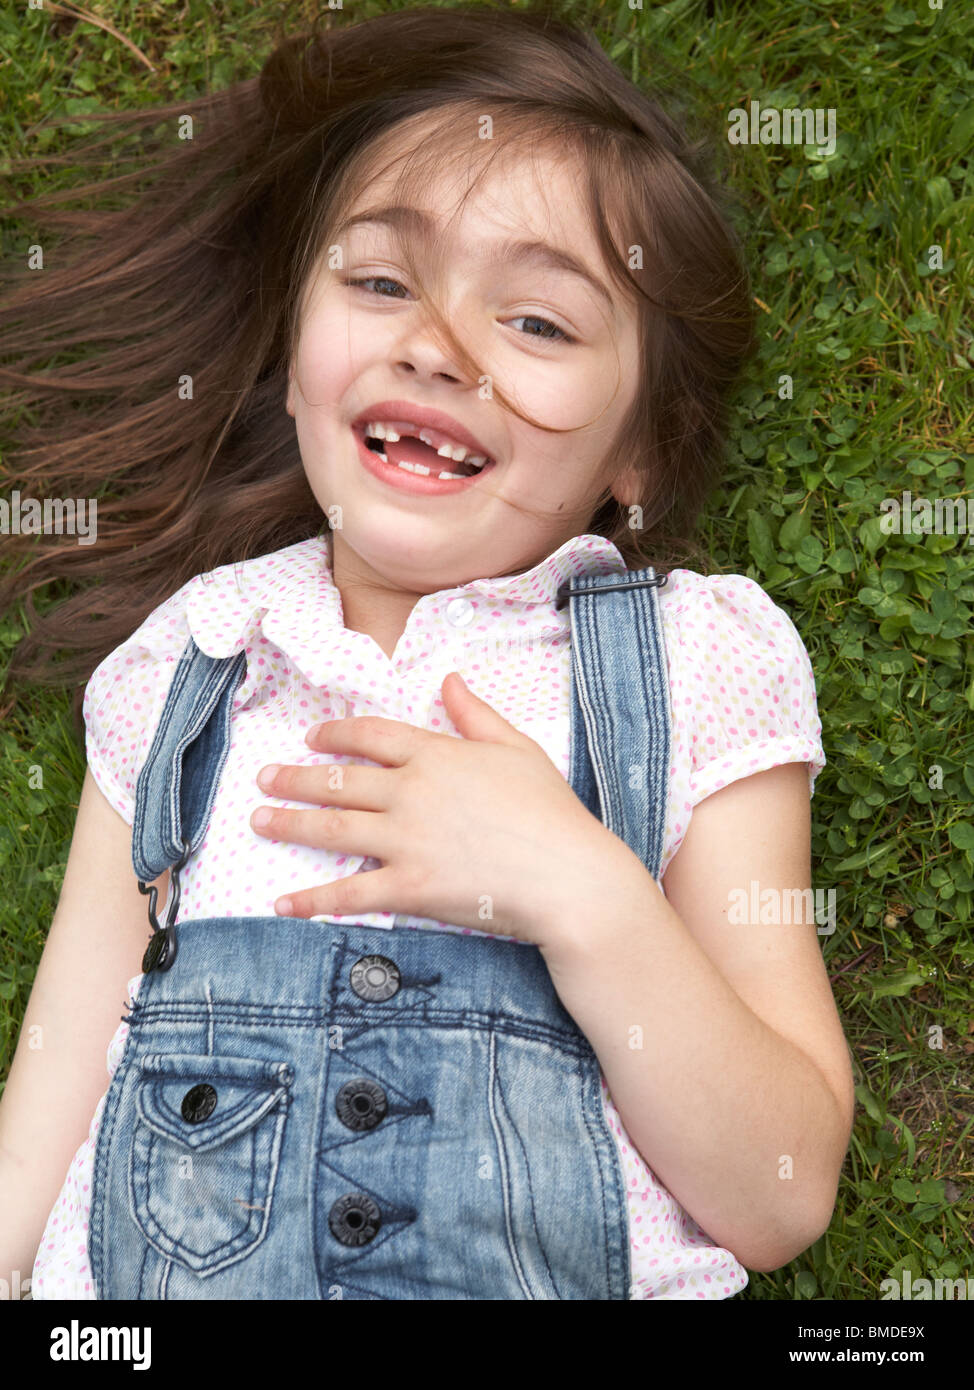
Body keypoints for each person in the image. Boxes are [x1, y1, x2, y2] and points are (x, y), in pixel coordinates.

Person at [0, 3, 854, 1300]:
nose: (437, 343)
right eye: (383, 281)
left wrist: (582, 889)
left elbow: (780, 1190)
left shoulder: (686, 662)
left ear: (638, 455)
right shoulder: (190, 664)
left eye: (539, 324)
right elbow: (50, 1105)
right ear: (294, 360)